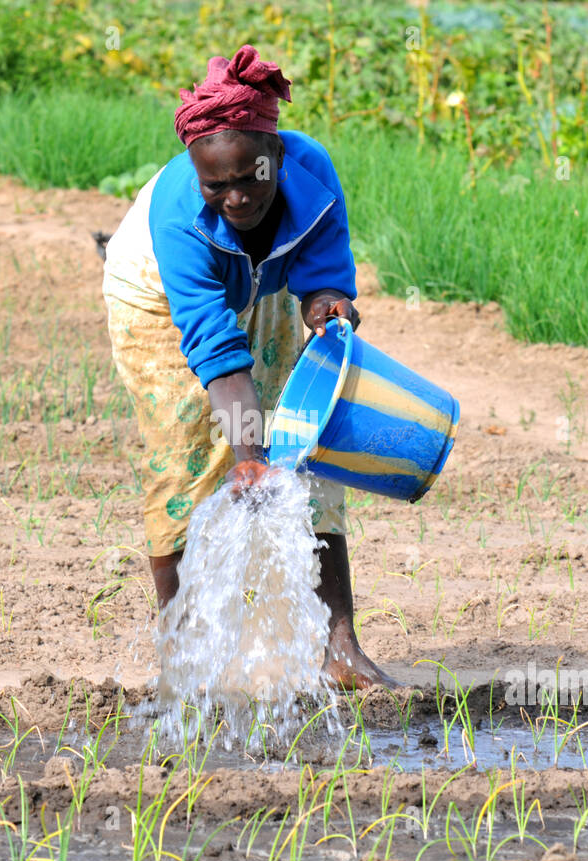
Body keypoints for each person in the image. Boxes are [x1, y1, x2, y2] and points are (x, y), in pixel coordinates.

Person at [102, 44, 394, 690]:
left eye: (250, 178)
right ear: (195, 174)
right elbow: (217, 353)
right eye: (217, 184)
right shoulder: (181, 219)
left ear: (278, 156)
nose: (235, 197)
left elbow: (323, 279)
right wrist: (248, 452)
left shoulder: (312, 177)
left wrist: (328, 304)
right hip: (152, 292)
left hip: (260, 285)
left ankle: (337, 647)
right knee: (187, 457)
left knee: (308, 443)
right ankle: (184, 661)